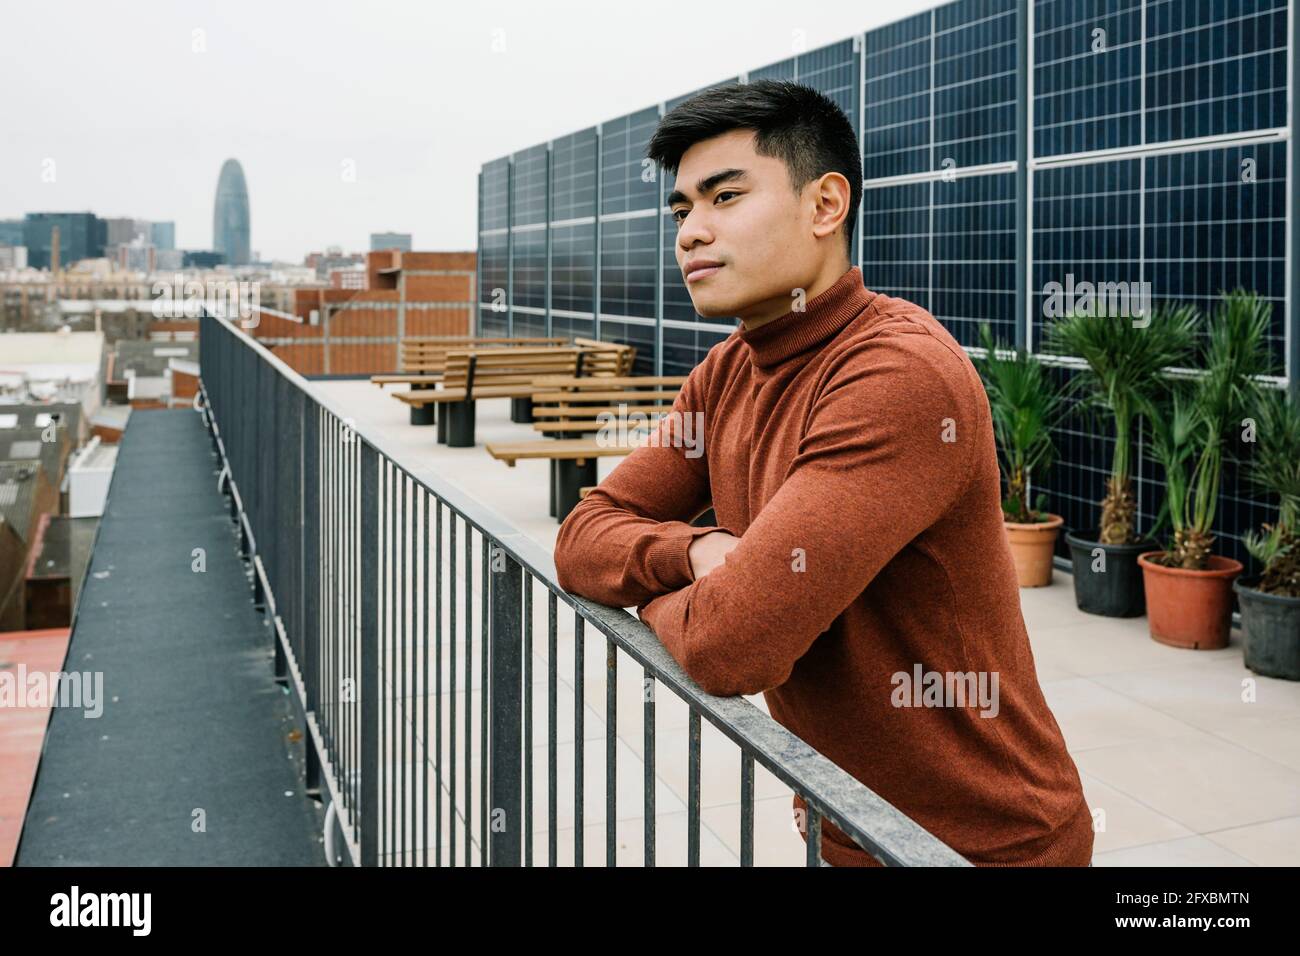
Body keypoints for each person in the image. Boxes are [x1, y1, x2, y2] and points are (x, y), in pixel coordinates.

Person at [553, 80, 1094, 868]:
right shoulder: (727, 371)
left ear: (825, 204)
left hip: (985, 845)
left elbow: (733, 643)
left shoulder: (896, 374)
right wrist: (696, 555)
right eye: (679, 210)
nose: (691, 233)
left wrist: (682, 593)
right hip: (843, 824)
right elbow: (580, 538)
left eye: (725, 196)